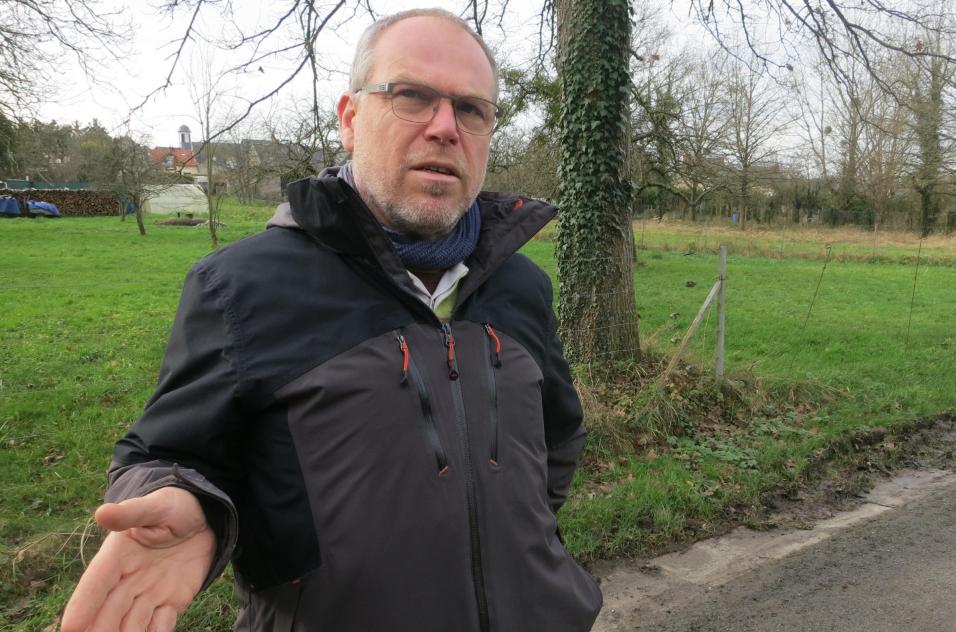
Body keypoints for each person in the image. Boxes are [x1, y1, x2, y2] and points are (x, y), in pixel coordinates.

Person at [60, 9, 602, 632]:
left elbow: (557, 438)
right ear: (350, 119)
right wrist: (190, 502)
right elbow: (168, 454)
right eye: (412, 96)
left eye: (471, 109)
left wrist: (525, 545)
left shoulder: (522, 285)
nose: (445, 127)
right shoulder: (241, 286)